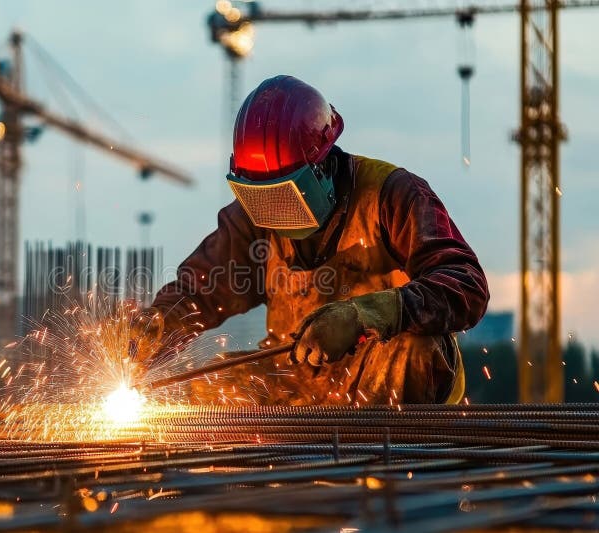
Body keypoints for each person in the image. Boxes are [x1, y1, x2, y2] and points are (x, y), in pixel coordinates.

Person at [131, 75, 489, 405]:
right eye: (258, 198)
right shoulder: (255, 216)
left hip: (380, 378)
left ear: (322, 168)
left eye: (284, 196)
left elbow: (467, 285)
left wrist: (363, 315)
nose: (271, 214)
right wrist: (158, 324)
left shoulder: (392, 195)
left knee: (415, 348)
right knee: (211, 386)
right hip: (298, 376)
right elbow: (198, 291)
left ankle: (381, 462)